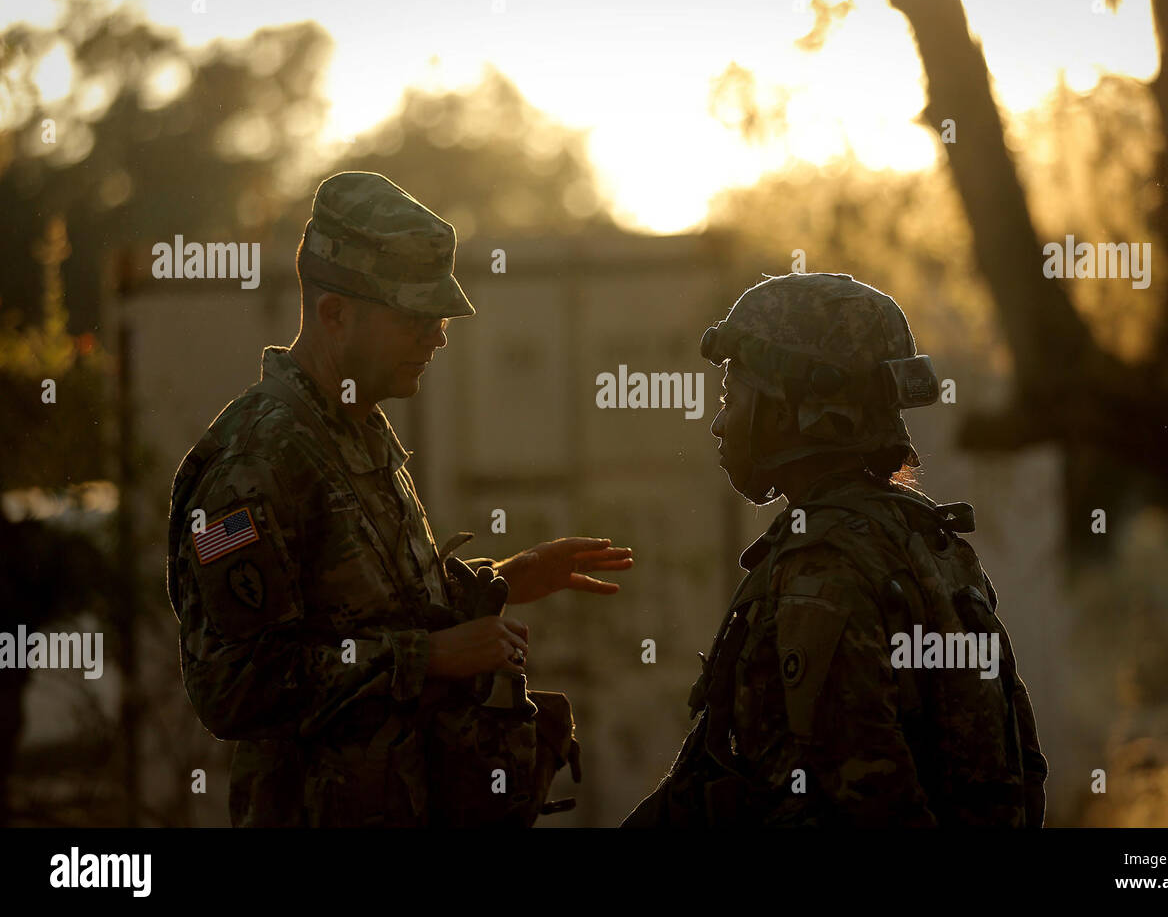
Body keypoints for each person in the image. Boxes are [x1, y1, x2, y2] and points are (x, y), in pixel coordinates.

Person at [166, 170, 632, 827]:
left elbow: (366, 609)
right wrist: (429, 656)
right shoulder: (256, 460)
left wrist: (501, 581)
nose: (438, 337)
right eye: (417, 319)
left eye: (439, 317)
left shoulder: (353, 425)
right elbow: (235, 686)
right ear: (336, 313)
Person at [623, 272, 1047, 826]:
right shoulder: (926, 540)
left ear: (788, 410)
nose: (720, 423)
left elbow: (861, 798)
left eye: (733, 395)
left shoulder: (825, 567)